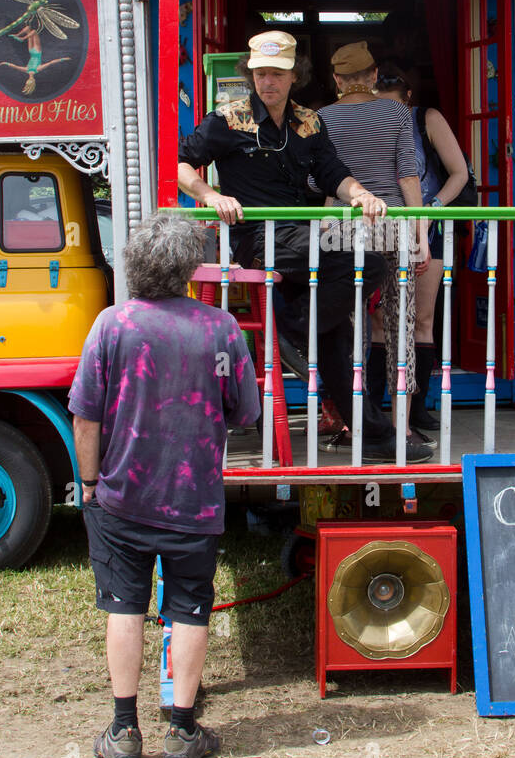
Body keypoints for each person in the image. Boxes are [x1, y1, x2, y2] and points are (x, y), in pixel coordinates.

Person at [177, 30, 426, 463]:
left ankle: (377, 438)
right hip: (258, 239)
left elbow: (334, 173)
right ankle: (295, 325)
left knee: (335, 338)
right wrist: (211, 195)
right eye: (259, 73)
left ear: (295, 76)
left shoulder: (309, 121)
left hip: (300, 241)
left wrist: (363, 194)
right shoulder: (226, 119)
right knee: (367, 264)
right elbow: (180, 163)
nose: (266, 82)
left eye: (276, 73)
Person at [70, 212, 261, 758]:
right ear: (188, 268)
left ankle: (124, 731)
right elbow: (246, 411)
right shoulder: (222, 329)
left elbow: (85, 419)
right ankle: (182, 731)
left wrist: (88, 485)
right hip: (193, 500)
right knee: (190, 609)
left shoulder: (111, 325)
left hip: (122, 496)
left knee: (123, 604)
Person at [318, 43, 430, 454]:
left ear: (338, 80)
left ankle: (354, 425)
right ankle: (400, 424)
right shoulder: (398, 113)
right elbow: (408, 176)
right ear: (373, 74)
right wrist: (420, 235)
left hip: (341, 230)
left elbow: (319, 182)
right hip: (393, 226)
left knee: (350, 327)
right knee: (400, 320)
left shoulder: (323, 119)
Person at [374, 63, 469, 432]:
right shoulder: (367, 118)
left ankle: (417, 408)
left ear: (408, 98)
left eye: (393, 107)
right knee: (380, 319)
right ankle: (380, 407)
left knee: (422, 320)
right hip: (382, 228)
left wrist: (432, 210)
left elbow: (459, 173)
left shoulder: (426, 118)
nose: (388, 114)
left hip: (428, 226)